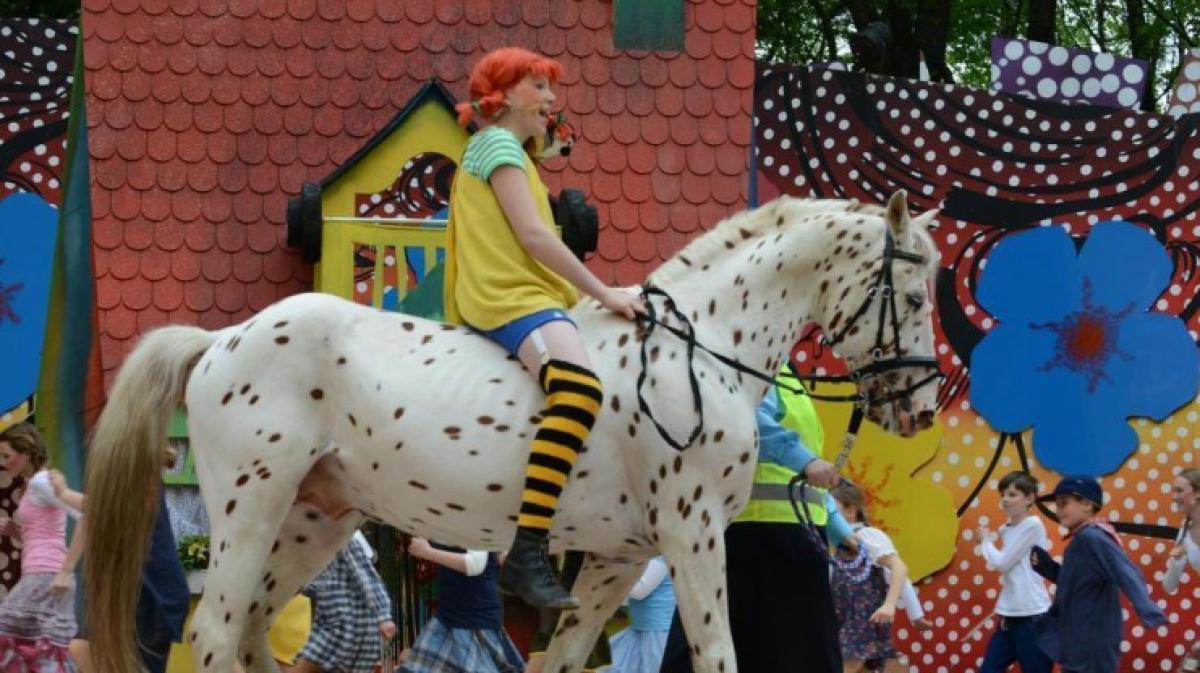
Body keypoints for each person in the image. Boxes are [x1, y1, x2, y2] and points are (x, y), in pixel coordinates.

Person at [446, 46, 644, 609]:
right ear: (504, 95)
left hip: (527, 293)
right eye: (538, 88)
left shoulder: (506, 149)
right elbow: (535, 238)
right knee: (580, 392)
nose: (551, 99)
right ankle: (529, 547)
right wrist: (604, 293)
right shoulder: (499, 145)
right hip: (510, 297)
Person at [660, 374, 861, 673]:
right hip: (753, 532)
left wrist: (841, 533)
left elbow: (810, 484)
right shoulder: (753, 362)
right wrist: (803, 460)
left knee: (792, 651)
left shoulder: (788, 375)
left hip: (795, 538)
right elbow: (745, 421)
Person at [64, 447, 190, 673]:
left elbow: (102, 508)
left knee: (90, 652)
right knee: (82, 650)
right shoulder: (134, 476)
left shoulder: (141, 477)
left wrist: (61, 493)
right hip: (140, 592)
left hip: (150, 595)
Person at [1029, 475, 1166, 673]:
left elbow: (1125, 571)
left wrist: (1147, 607)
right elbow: (1078, 584)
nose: (1058, 511)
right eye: (1057, 505)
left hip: (1092, 641)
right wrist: (1048, 567)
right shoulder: (1081, 539)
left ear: (1087, 503)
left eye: (1064, 503)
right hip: (1079, 639)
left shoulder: (1092, 537)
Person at [0, 422, 82, 672]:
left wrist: (66, 571)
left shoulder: (42, 482)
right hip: (42, 573)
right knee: (42, 652)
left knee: (12, 643)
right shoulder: (32, 485)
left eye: (6, 455)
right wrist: (16, 532)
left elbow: (89, 514)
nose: (2, 462)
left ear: (25, 454)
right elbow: (44, 535)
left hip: (47, 576)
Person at [829, 480, 924, 673]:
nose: (826, 515)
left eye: (831, 509)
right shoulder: (837, 546)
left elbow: (899, 570)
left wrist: (906, 611)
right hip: (843, 621)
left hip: (862, 622)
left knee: (846, 667)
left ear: (850, 511)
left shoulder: (867, 536)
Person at [398, 538, 523, 673]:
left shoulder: (474, 522)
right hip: (449, 615)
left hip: (473, 619)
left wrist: (428, 552)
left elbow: (475, 564)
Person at [975, 471, 1053, 673]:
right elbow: (1010, 568)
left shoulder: (1032, 525)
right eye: (1003, 495)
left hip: (1033, 616)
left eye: (1012, 494)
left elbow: (1002, 563)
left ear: (1029, 499)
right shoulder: (1006, 529)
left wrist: (985, 541)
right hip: (1009, 617)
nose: (1005, 500)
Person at [293, 531, 396, 673]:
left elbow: (368, 578)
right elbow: (318, 584)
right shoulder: (322, 545)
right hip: (338, 625)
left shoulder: (340, 538)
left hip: (346, 628)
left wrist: (383, 616)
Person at [609, 556, 674, 673]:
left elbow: (639, 590)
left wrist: (610, 575)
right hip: (640, 630)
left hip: (658, 632)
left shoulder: (661, 558)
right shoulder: (647, 557)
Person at [1163, 468, 1199, 672]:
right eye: (1173, 490)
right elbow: (1169, 586)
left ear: (1198, 493)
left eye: (1179, 490)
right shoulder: (1184, 532)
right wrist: (1176, 562)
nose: (1174, 496)